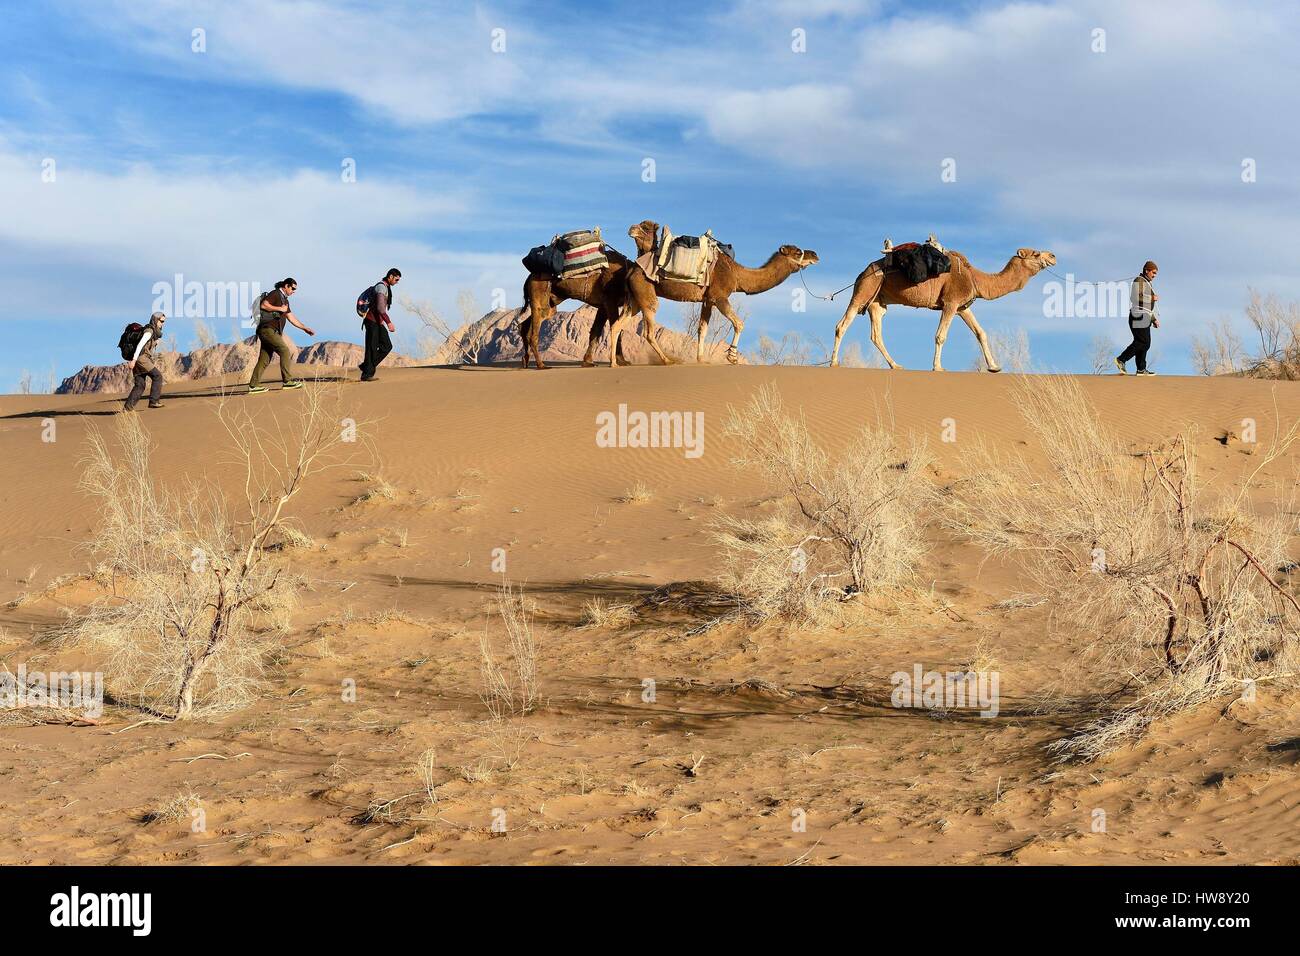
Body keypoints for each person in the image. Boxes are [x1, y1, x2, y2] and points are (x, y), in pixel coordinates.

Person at [248, 278, 315, 394]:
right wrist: (280, 308)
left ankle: (253, 386)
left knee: (264, 359)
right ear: (286, 286)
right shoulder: (275, 294)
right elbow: (264, 305)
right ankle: (287, 381)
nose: (294, 291)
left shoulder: (285, 300)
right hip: (267, 330)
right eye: (293, 288)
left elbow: (291, 317)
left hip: (270, 331)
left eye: (295, 289)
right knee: (284, 350)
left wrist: (305, 328)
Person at [1116, 260, 1159, 376]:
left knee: (1144, 342)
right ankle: (1121, 359)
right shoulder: (1139, 280)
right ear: (1147, 270)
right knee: (1143, 342)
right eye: (1153, 273)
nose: (1154, 276)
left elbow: (1147, 307)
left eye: (1155, 274)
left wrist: (1153, 319)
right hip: (1138, 315)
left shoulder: (1147, 283)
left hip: (1144, 315)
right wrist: (1151, 298)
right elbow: (1134, 297)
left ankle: (1141, 369)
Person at [359, 268, 401, 382]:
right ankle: (366, 374)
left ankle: (366, 366)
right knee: (371, 348)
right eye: (396, 279)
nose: (397, 282)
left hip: (378, 322)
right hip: (371, 321)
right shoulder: (381, 287)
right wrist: (388, 322)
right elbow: (380, 308)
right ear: (391, 276)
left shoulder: (386, 288)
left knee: (387, 346)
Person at [124, 312, 168, 411]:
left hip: (140, 358)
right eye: (161, 321)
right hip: (140, 358)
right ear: (155, 320)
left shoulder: (153, 333)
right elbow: (140, 346)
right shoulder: (149, 331)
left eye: (164, 321)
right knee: (157, 376)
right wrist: (134, 361)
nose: (163, 323)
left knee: (140, 385)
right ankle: (154, 401)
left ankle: (127, 408)